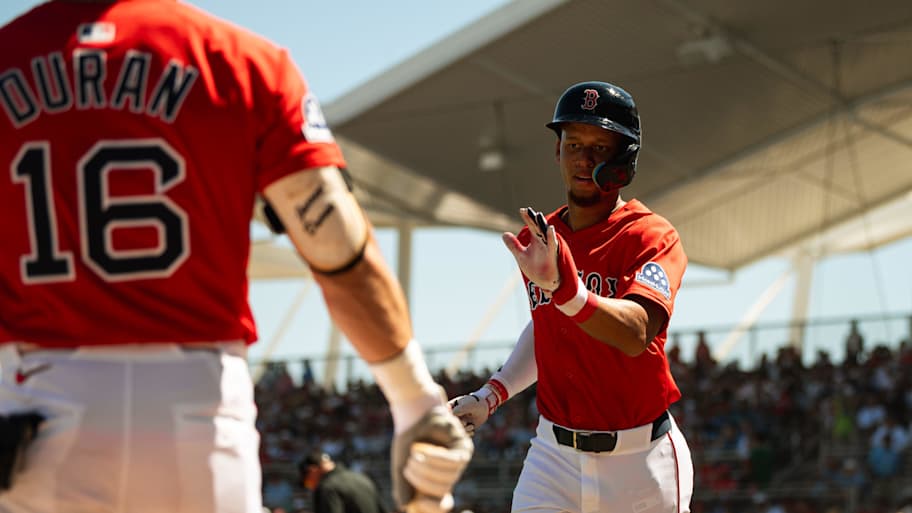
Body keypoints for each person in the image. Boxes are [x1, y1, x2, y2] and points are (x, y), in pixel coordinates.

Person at [0, 2, 471, 513]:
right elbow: (340, 256)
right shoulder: (243, 61)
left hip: (36, 407)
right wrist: (413, 398)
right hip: (199, 412)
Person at [449, 81, 694, 512]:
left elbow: (637, 331)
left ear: (624, 159)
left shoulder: (650, 236)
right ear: (557, 151)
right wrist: (493, 394)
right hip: (554, 457)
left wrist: (567, 290)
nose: (583, 158)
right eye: (574, 143)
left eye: (600, 147)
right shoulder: (542, 238)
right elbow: (548, 326)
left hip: (640, 463)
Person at [298, 450, 389, 513]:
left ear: (312, 471)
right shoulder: (362, 478)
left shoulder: (327, 487)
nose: (311, 487)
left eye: (308, 483)